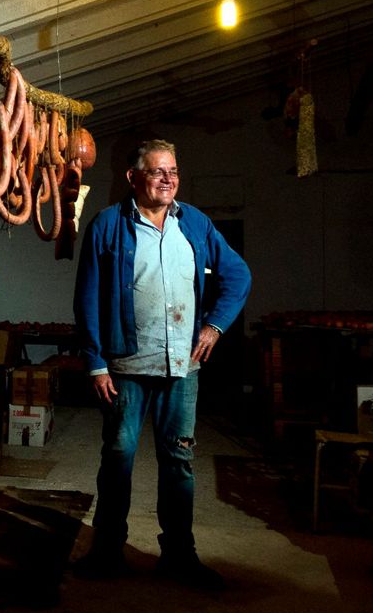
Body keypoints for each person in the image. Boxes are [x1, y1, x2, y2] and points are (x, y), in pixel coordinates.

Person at [72, 139, 251, 589]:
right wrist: (95, 362)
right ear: (134, 178)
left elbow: (238, 275)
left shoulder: (196, 223)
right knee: (118, 459)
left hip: (181, 369)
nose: (168, 179)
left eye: (173, 171)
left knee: (179, 462)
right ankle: (108, 551)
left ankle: (179, 556)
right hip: (127, 367)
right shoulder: (109, 225)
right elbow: (87, 298)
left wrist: (214, 327)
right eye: (157, 172)